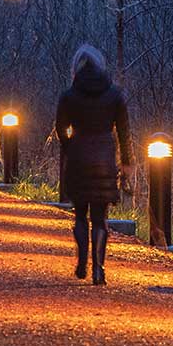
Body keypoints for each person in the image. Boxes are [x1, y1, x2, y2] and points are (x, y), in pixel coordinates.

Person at [54, 44, 131, 284]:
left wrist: (70, 146)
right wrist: (127, 162)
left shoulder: (69, 95)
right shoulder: (115, 95)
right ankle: (99, 268)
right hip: (105, 159)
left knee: (80, 214)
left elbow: (60, 128)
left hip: (79, 157)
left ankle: (81, 262)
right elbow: (124, 132)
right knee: (100, 217)